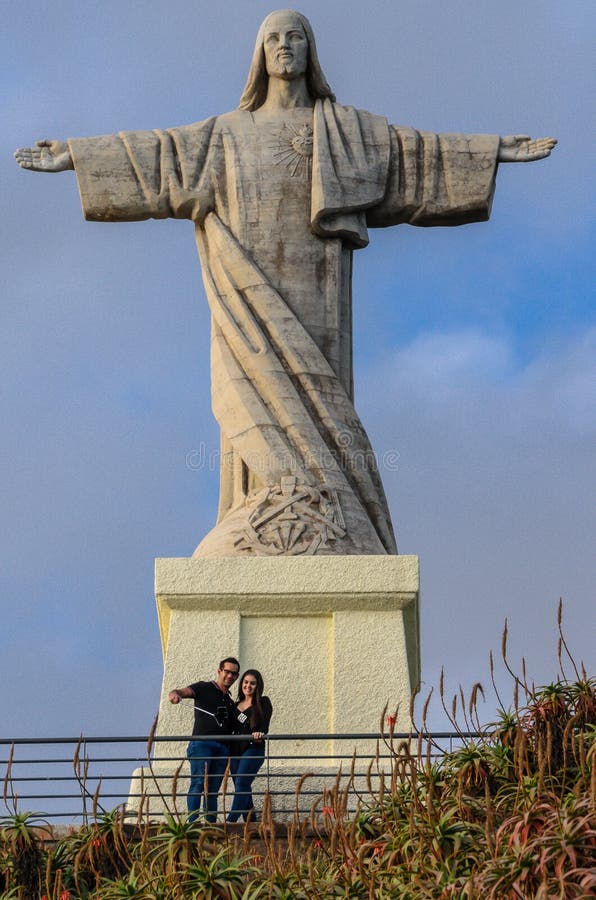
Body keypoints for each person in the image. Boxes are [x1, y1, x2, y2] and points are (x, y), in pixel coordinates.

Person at [14, 10, 557, 560]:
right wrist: (77, 158)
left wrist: (490, 154)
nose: (284, 46)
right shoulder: (225, 135)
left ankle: (327, 510)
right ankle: (260, 512)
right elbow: (159, 155)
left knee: (320, 388)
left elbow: (410, 157)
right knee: (250, 391)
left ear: (310, 50)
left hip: (318, 289)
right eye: (273, 38)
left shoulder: (342, 131)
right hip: (244, 291)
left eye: (295, 37)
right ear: (260, 53)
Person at [168, 656, 240, 821]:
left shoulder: (230, 701)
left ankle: (210, 828)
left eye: (234, 674)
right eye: (227, 672)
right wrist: (174, 694)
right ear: (219, 671)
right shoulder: (204, 687)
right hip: (202, 744)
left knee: (212, 792)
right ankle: (192, 825)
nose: (230, 676)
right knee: (198, 784)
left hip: (222, 749)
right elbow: (181, 692)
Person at [227, 669, 273, 823]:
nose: (248, 686)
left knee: (242, 782)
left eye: (252, 683)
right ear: (241, 684)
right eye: (245, 682)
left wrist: (260, 733)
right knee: (243, 787)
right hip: (235, 752)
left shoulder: (263, 702)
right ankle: (251, 823)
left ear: (257, 686)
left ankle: (230, 821)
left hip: (253, 748)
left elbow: (264, 724)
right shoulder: (234, 706)